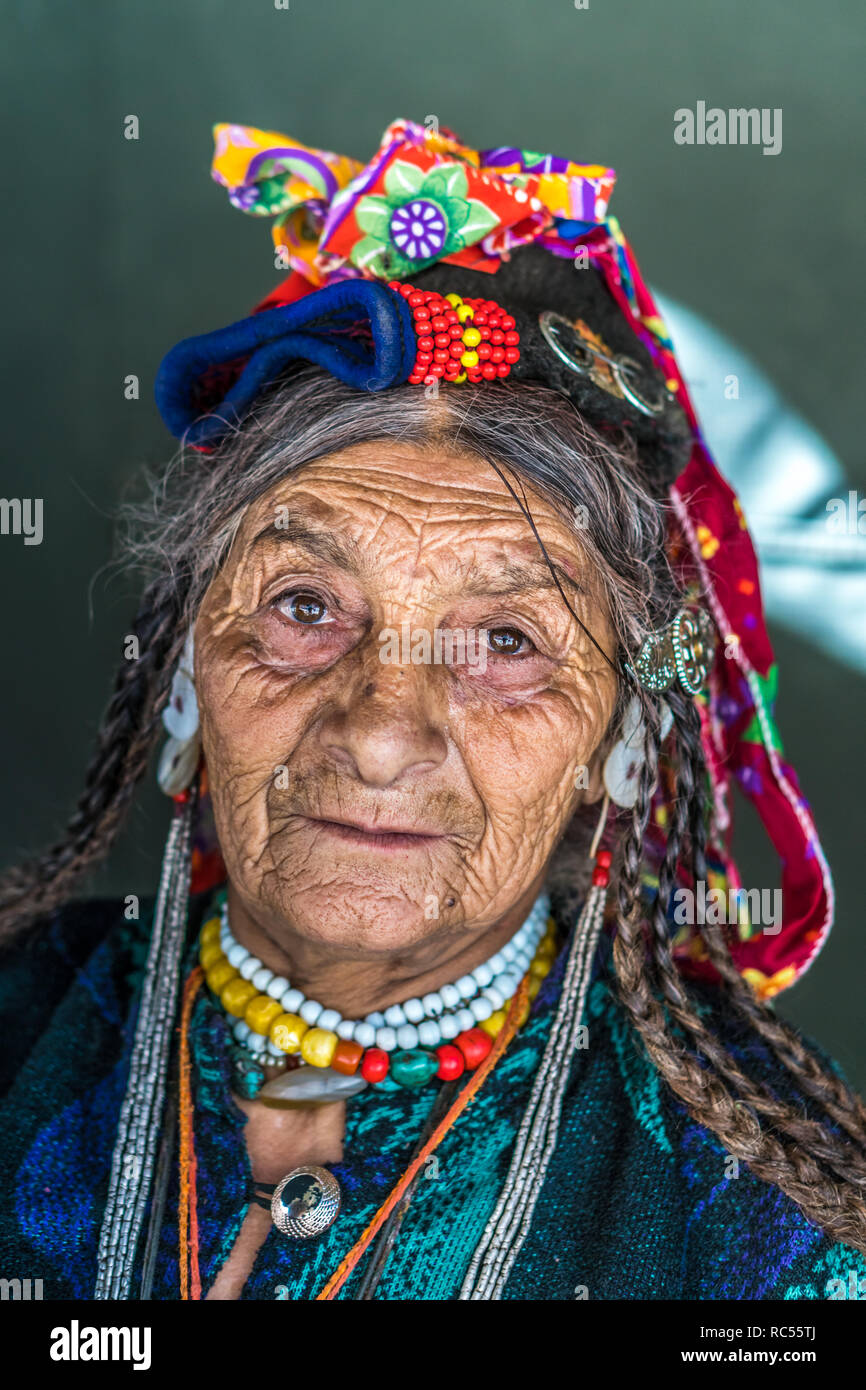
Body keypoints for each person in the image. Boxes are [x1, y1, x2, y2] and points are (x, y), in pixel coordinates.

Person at [1, 117, 864, 1302]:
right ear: (190, 671)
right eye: (305, 607)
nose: (379, 730)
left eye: (506, 640)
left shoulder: (764, 1211)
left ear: (619, 740)